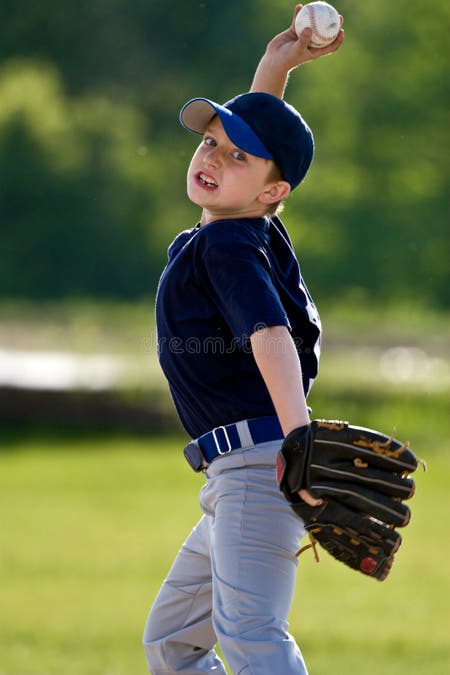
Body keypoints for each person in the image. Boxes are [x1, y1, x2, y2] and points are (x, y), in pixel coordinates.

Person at [143, 6, 344, 674]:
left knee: (251, 633)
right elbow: (258, 143)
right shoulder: (243, 227)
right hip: (237, 473)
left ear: (271, 190)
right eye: (209, 143)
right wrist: (276, 68)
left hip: (263, 463)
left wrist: (300, 441)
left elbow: (270, 336)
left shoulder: (229, 242)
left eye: (236, 156)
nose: (213, 158)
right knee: (175, 642)